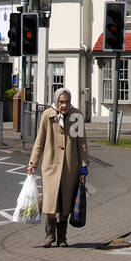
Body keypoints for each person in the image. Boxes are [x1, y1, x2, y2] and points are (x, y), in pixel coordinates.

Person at [27, 89, 89, 248]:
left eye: (67, 102)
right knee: (49, 203)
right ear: (56, 101)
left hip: (70, 166)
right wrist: (33, 162)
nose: (64, 105)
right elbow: (39, 141)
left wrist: (84, 165)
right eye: (61, 102)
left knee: (66, 203)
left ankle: (62, 237)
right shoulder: (48, 115)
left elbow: (81, 142)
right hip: (51, 165)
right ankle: (49, 235)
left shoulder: (77, 116)